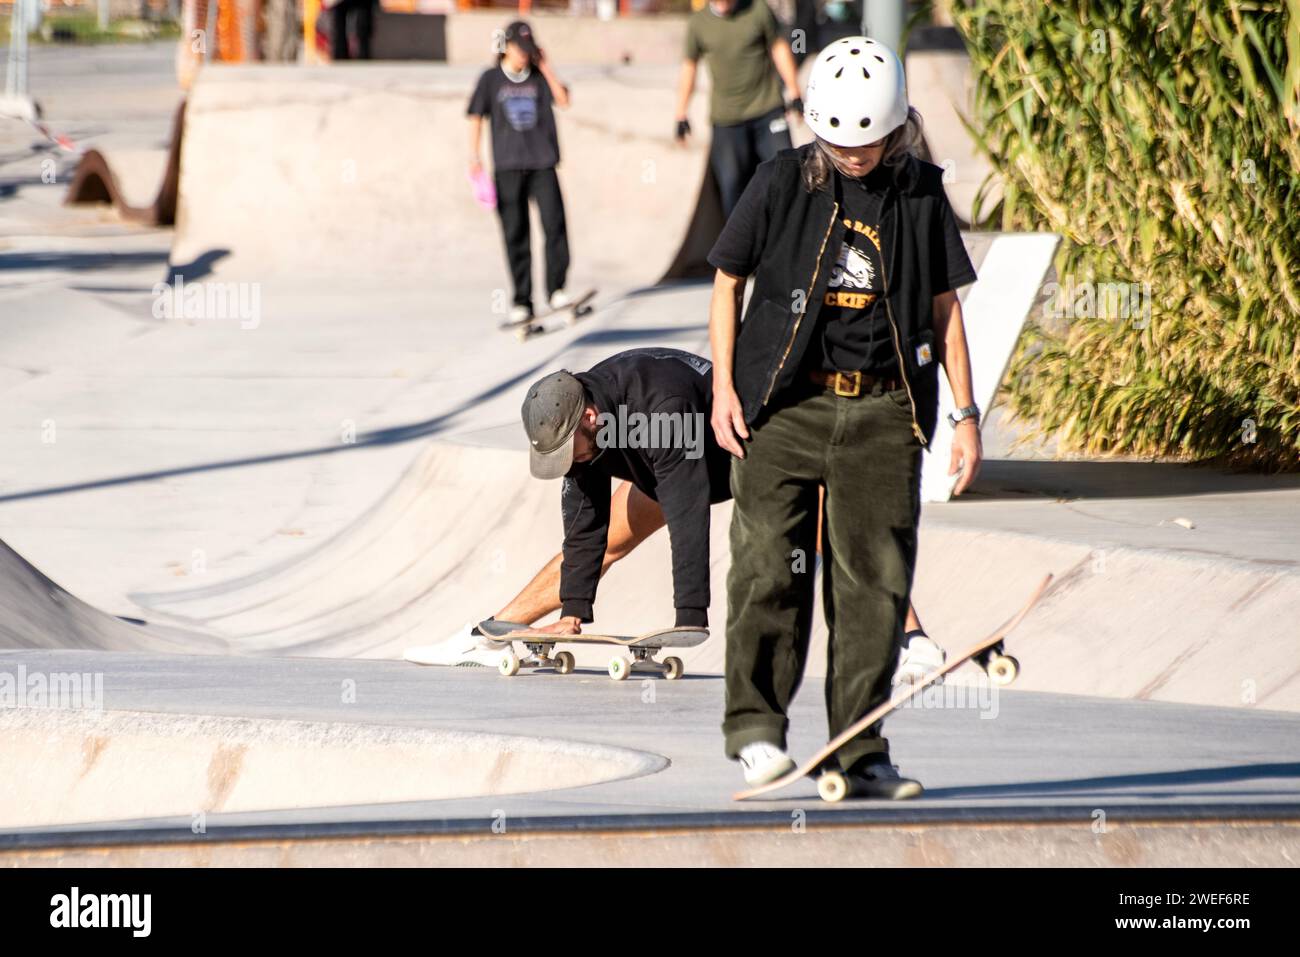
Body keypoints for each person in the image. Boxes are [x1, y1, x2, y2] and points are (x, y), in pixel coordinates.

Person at [708, 37, 983, 796]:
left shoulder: (922, 191)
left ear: (896, 128)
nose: (853, 155)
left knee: (876, 583)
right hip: (782, 407)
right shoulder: (779, 181)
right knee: (767, 566)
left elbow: (945, 309)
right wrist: (724, 389)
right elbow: (727, 280)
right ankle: (756, 732)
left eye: (867, 142)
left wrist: (965, 415)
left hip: (885, 409)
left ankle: (859, 749)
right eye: (838, 141)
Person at [415, 348, 946, 681]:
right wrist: (574, 613)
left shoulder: (659, 409)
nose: (567, 463)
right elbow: (585, 525)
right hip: (666, 465)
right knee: (611, 538)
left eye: (565, 452)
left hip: (748, 448)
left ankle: (912, 641)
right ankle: (488, 634)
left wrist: (689, 616)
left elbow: (689, 512)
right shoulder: (579, 420)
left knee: (828, 517)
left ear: (592, 419)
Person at [467, 21, 577, 326]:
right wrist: (474, 156)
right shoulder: (490, 79)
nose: (523, 56)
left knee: (554, 225)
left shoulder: (541, 77)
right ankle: (521, 300)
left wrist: (548, 67)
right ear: (506, 47)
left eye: (529, 50)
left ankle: (556, 289)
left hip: (543, 163)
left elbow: (565, 101)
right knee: (516, 233)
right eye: (519, 49)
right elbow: (475, 116)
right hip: (507, 167)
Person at [675, 0, 803, 219]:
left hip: (768, 109)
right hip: (728, 119)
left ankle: (787, 236)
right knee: (732, 186)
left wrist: (794, 91)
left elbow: (778, 47)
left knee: (787, 173)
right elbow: (690, 66)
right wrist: (681, 113)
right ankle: (740, 247)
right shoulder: (699, 24)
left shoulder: (758, 10)